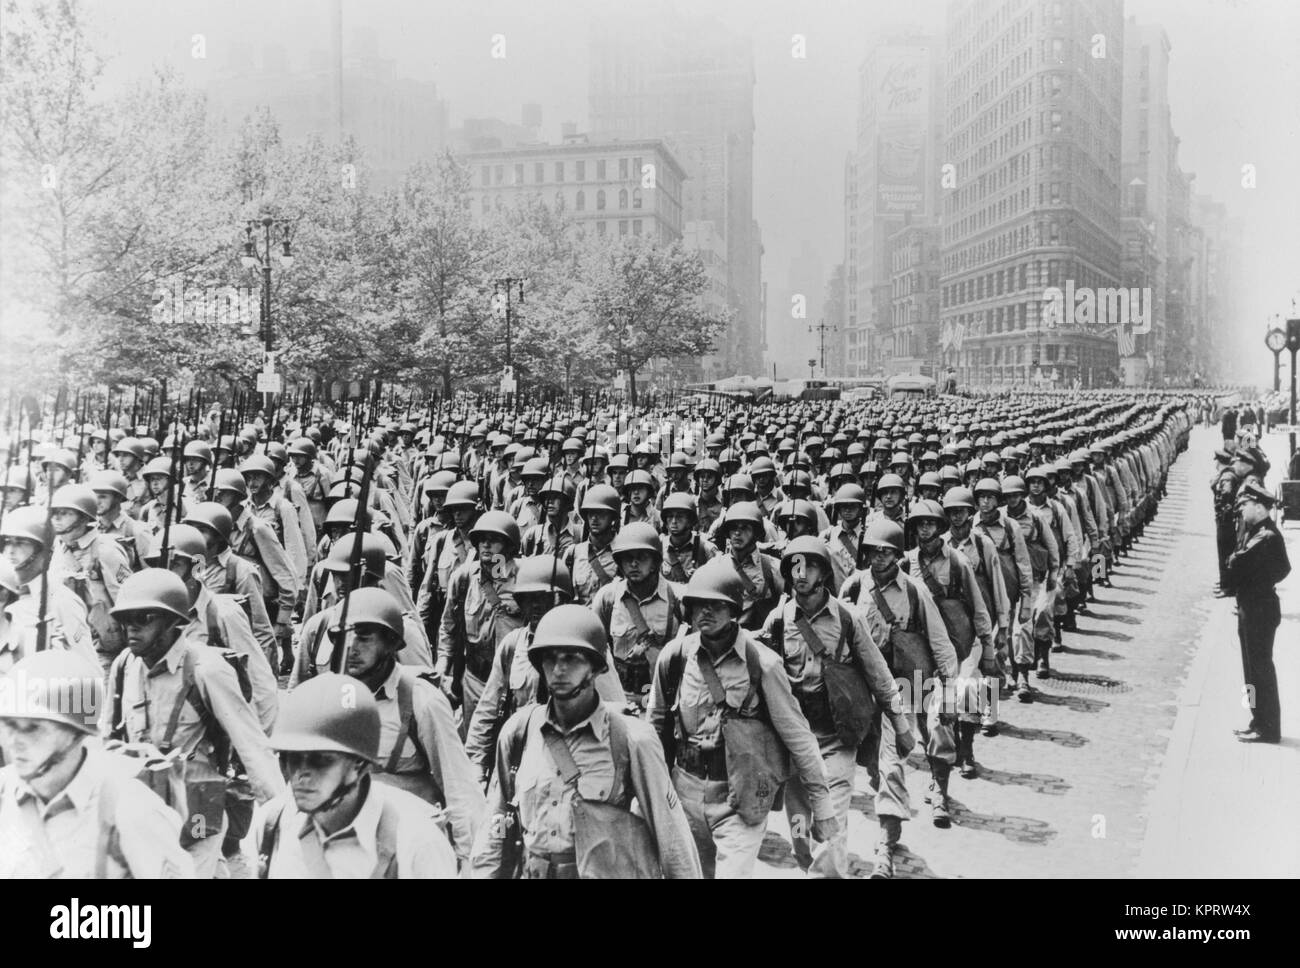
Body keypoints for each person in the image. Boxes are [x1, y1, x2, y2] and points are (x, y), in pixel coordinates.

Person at [470, 605, 702, 879]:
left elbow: (672, 837)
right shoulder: (519, 732)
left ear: (595, 667)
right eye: (550, 658)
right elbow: (496, 824)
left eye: (571, 658)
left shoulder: (630, 739)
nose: (558, 669)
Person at [648, 557, 836, 879]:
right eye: (698, 605)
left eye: (716, 604)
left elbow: (798, 737)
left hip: (743, 793)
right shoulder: (675, 657)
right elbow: (655, 729)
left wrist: (822, 805)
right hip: (685, 790)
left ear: (733, 609)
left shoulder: (763, 664)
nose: (705, 612)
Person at [103, 568, 284, 877]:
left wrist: (283, 818)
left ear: (173, 621)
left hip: (197, 808)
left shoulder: (205, 669)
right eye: (125, 620)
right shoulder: (124, 666)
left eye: (144, 619)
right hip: (144, 804)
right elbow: (107, 736)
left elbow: (252, 746)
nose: (131, 629)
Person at [756, 536, 910, 878]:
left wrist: (899, 722)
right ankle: (804, 861)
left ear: (824, 572)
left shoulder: (848, 617)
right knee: (799, 821)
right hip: (795, 738)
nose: (801, 573)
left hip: (836, 733)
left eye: (809, 565)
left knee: (832, 818)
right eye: (794, 565)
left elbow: (879, 674)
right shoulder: (778, 620)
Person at [0, 650, 195, 878]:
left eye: (33, 728)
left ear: (76, 732)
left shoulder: (130, 809)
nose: (14, 742)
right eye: (9, 725)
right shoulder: (4, 789)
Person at [328, 586, 484, 865]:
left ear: (389, 644)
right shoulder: (333, 697)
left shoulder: (421, 700)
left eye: (364, 639)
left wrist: (465, 860)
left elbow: (459, 787)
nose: (351, 648)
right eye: (344, 638)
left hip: (409, 846)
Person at [257, 673, 458, 878]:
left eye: (321, 761)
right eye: (292, 758)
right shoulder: (271, 822)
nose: (301, 774)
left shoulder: (416, 843)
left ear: (360, 765)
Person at [1226, 482, 1291, 744]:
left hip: (1259, 608)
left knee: (1260, 670)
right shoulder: (1257, 532)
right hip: (1252, 605)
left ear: (1260, 506)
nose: (1241, 509)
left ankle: (1268, 727)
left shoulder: (1265, 536)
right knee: (1250, 671)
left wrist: (1257, 584)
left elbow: (1235, 562)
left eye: (1245, 505)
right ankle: (1256, 719)